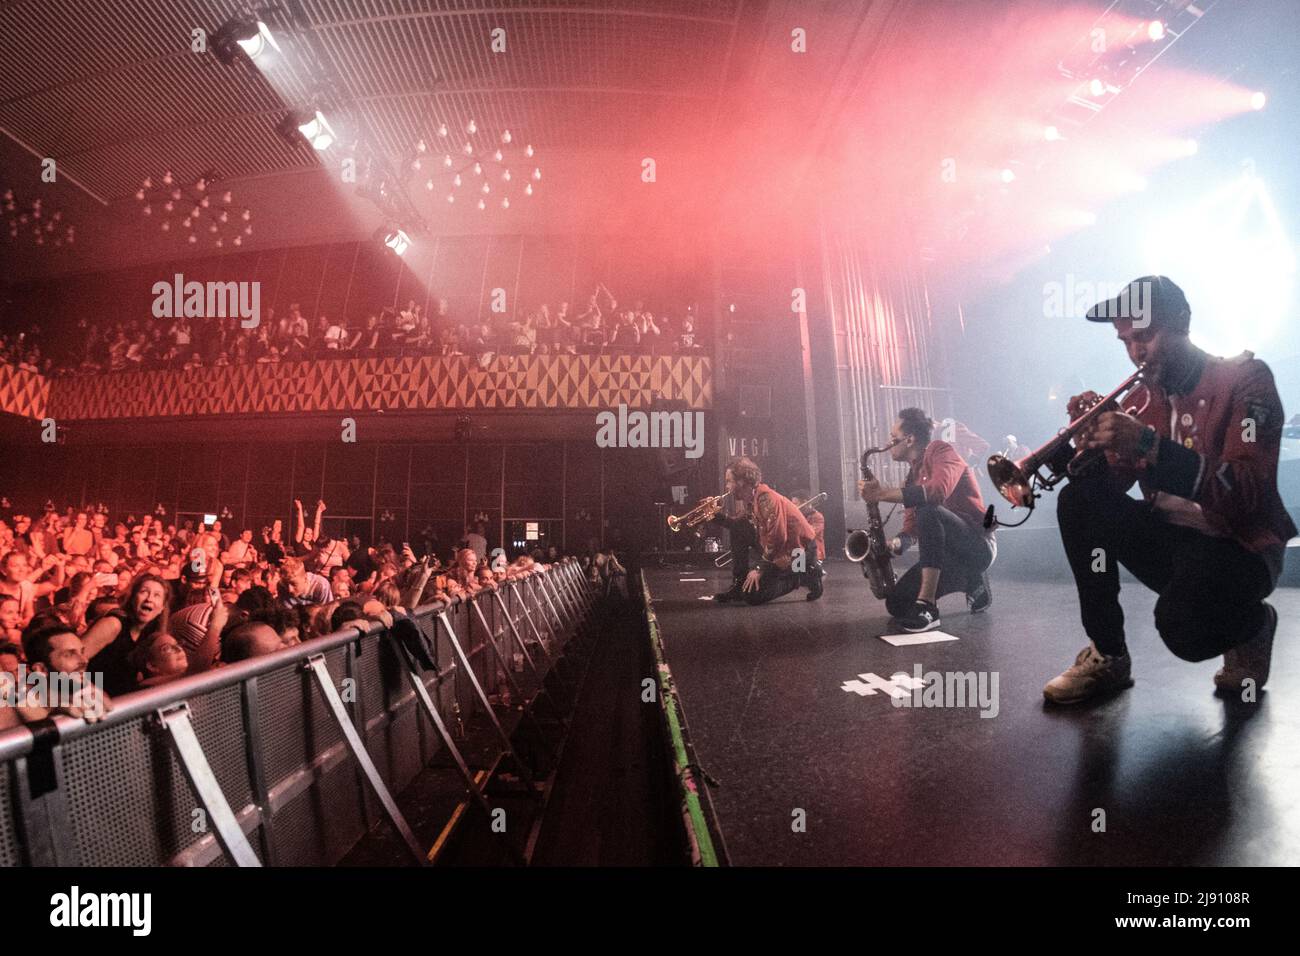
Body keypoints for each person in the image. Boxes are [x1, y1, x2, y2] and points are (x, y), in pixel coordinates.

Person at [1043, 276, 1295, 704]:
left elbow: (1247, 490)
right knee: (1079, 501)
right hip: (1178, 544)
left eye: (1146, 336)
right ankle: (1109, 654)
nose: (1136, 352)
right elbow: (1111, 491)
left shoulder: (1246, 380)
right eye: (1126, 341)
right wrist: (1081, 452)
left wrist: (1146, 444)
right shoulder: (1142, 402)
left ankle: (1253, 625)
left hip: (1240, 548)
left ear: (1181, 323)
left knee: (1183, 630)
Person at [858, 407, 995, 633]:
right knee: (897, 604)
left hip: (977, 545)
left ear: (909, 439)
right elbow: (912, 530)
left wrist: (881, 494)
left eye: (893, 438)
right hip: (947, 555)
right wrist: (893, 546)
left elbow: (936, 493)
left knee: (928, 508)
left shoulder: (941, 451)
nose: (888, 444)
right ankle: (971, 579)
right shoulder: (910, 479)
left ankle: (928, 607)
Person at [714, 457, 822, 605]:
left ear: (741, 482)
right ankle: (739, 583)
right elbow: (738, 526)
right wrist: (713, 516)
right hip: (781, 549)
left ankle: (804, 576)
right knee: (740, 527)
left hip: (800, 552)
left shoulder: (766, 499)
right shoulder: (752, 499)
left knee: (752, 596)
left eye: (729, 481)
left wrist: (759, 569)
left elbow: (778, 537)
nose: (727, 486)